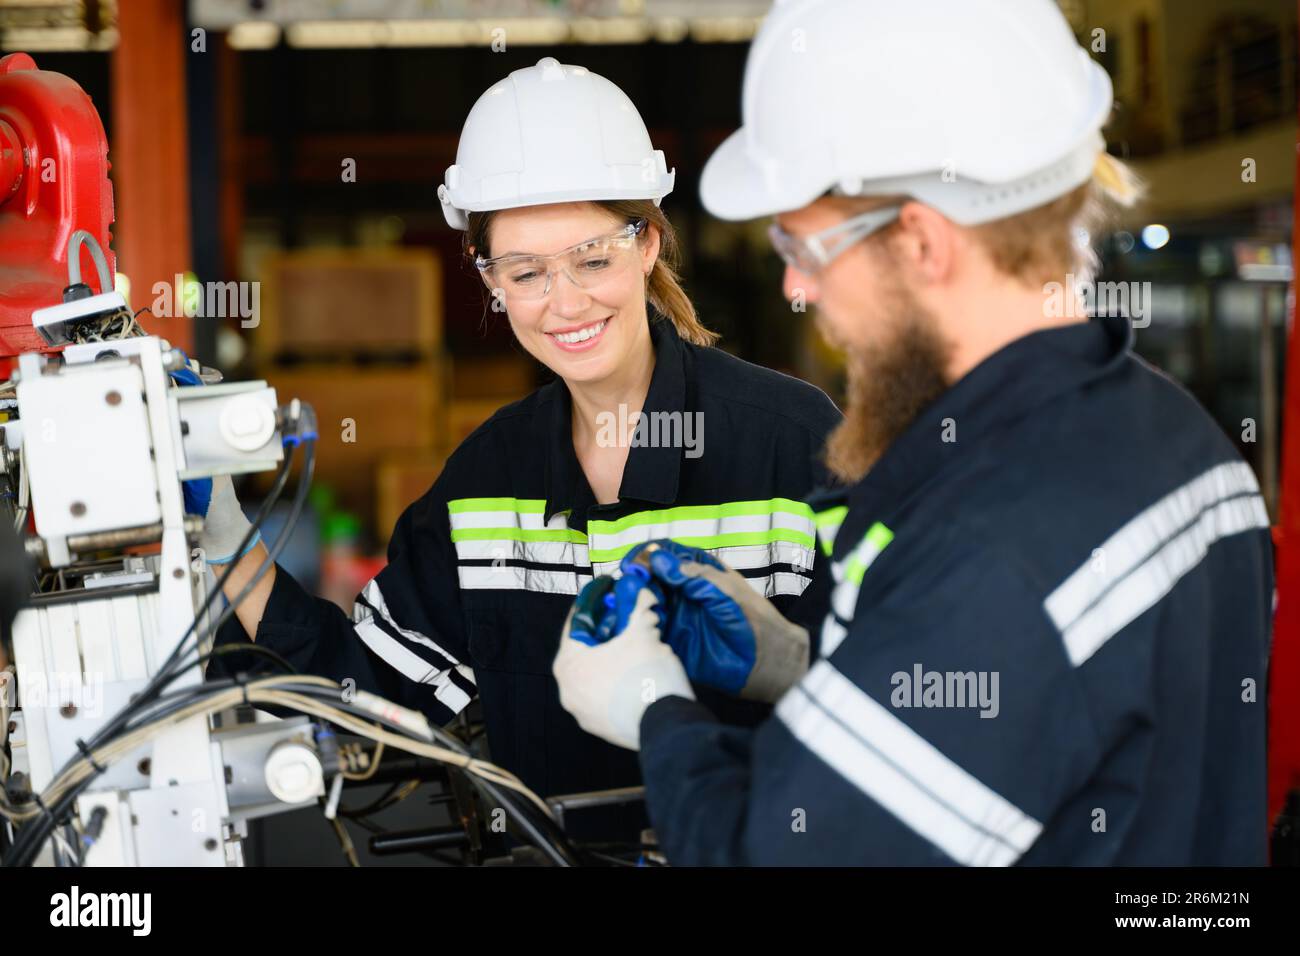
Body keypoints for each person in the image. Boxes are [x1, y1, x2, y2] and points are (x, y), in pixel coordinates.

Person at [553, 0, 1273, 864]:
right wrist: (799, 663)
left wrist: (652, 708)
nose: (797, 287)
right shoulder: (1183, 444)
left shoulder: (994, 552)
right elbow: (1029, 742)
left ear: (922, 243)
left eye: (806, 247)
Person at [202, 57, 841, 839]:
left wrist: (790, 667)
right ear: (488, 279)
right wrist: (228, 547)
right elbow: (367, 694)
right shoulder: (485, 482)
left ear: (648, 245)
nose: (564, 302)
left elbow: (901, 709)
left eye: (593, 259)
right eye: (526, 272)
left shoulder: (793, 444)